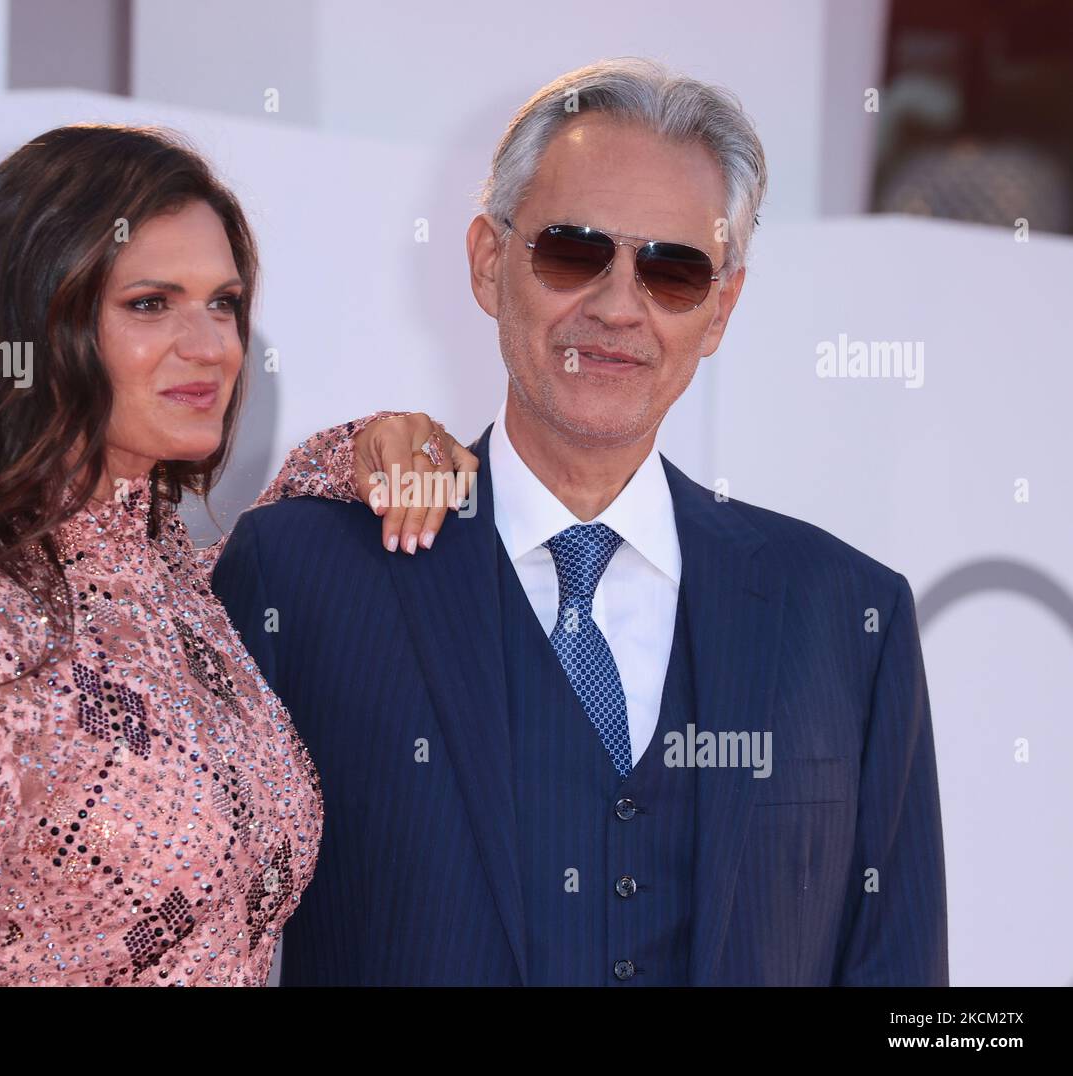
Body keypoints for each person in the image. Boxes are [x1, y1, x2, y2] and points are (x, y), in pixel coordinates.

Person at [213, 57, 949, 986]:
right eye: (572, 251)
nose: (615, 306)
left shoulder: (850, 616)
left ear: (721, 308)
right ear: (489, 262)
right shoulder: (305, 574)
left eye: (674, 271)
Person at [0, 124, 475, 986]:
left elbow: (241, 544)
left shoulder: (175, 588)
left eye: (223, 303)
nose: (212, 347)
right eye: (151, 303)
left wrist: (371, 444)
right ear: (34, 325)